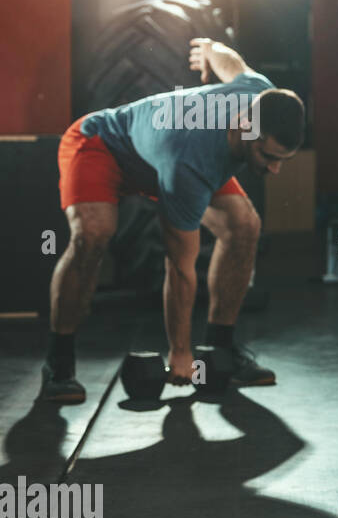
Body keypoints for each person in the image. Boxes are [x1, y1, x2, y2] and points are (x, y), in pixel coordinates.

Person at [41, 38, 304, 403]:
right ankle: (59, 362)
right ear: (246, 126)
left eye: (283, 160)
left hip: (164, 156)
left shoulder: (260, 95)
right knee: (94, 233)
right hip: (103, 145)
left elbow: (234, 62)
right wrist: (180, 351)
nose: (274, 170)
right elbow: (179, 266)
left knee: (244, 225)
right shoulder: (190, 158)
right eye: (267, 156)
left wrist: (211, 48)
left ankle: (221, 350)